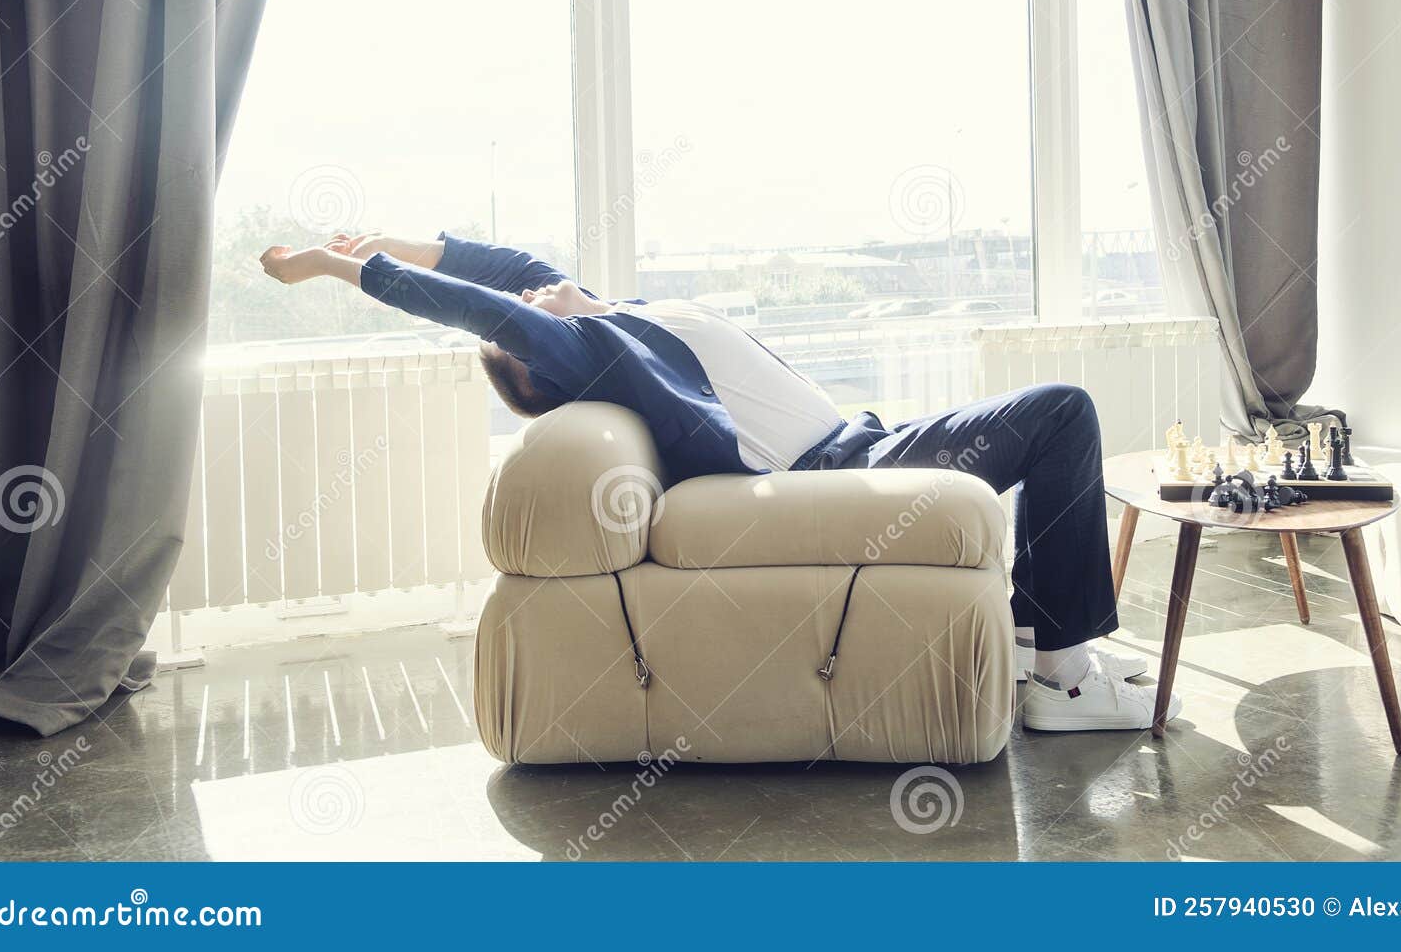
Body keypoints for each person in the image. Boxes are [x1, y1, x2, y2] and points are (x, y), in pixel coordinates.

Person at [261, 231, 1182, 731]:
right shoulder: (590, 344)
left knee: (1056, 417)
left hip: (869, 434)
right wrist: (333, 267)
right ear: (536, 363)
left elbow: (498, 266)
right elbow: (479, 302)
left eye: (537, 300)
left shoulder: (608, 306)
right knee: (1064, 410)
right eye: (522, 326)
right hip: (846, 467)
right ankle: (1063, 674)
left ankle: (1037, 641)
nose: (535, 297)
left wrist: (386, 234)